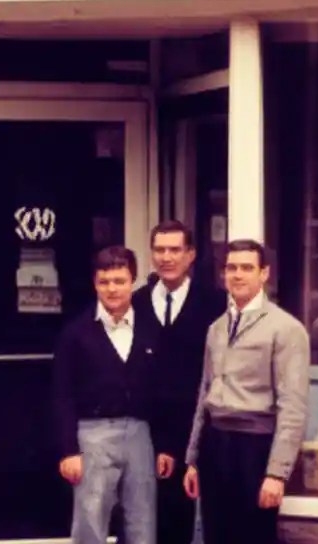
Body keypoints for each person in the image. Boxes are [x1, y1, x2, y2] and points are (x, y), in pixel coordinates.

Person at [182, 239, 310, 544]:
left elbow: (292, 406)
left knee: (253, 536)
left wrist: (277, 473)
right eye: (231, 268)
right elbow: (205, 393)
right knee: (216, 535)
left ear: (264, 274)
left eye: (246, 268)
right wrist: (193, 458)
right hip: (217, 444)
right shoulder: (216, 328)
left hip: (255, 446)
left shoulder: (285, 329)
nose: (238, 275)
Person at [53, 246, 160, 544]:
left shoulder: (150, 329)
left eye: (119, 281)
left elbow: (160, 390)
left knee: (142, 518)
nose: (112, 289)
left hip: (140, 432)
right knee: (91, 518)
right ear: (94, 283)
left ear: (133, 281)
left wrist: (166, 445)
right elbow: (62, 394)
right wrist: (68, 450)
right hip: (93, 433)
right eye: (104, 282)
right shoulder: (76, 333)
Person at [132, 221, 226, 544]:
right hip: (144, 433)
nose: (166, 257)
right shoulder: (136, 304)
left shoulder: (214, 305)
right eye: (159, 249)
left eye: (175, 249)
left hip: (193, 432)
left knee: (182, 521)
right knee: (141, 522)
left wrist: (184, 445)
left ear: (191, 255)